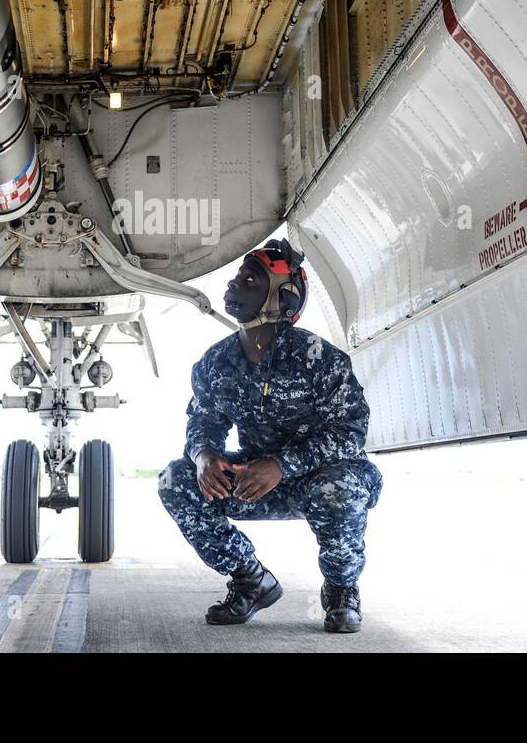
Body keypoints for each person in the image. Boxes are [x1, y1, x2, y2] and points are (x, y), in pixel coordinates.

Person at [158, 239, 383, 633]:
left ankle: (341, 589)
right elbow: (202, 422)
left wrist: (282, 464)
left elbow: (350, 433)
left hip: (322, 479)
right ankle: (251, 581)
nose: (233, 285)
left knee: (342, 488)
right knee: (176, 480)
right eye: (236, 278)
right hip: (255, 484)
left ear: (282, 297)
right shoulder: (216, 361)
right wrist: (204, 455)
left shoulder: (320, 358)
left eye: (249, 280)